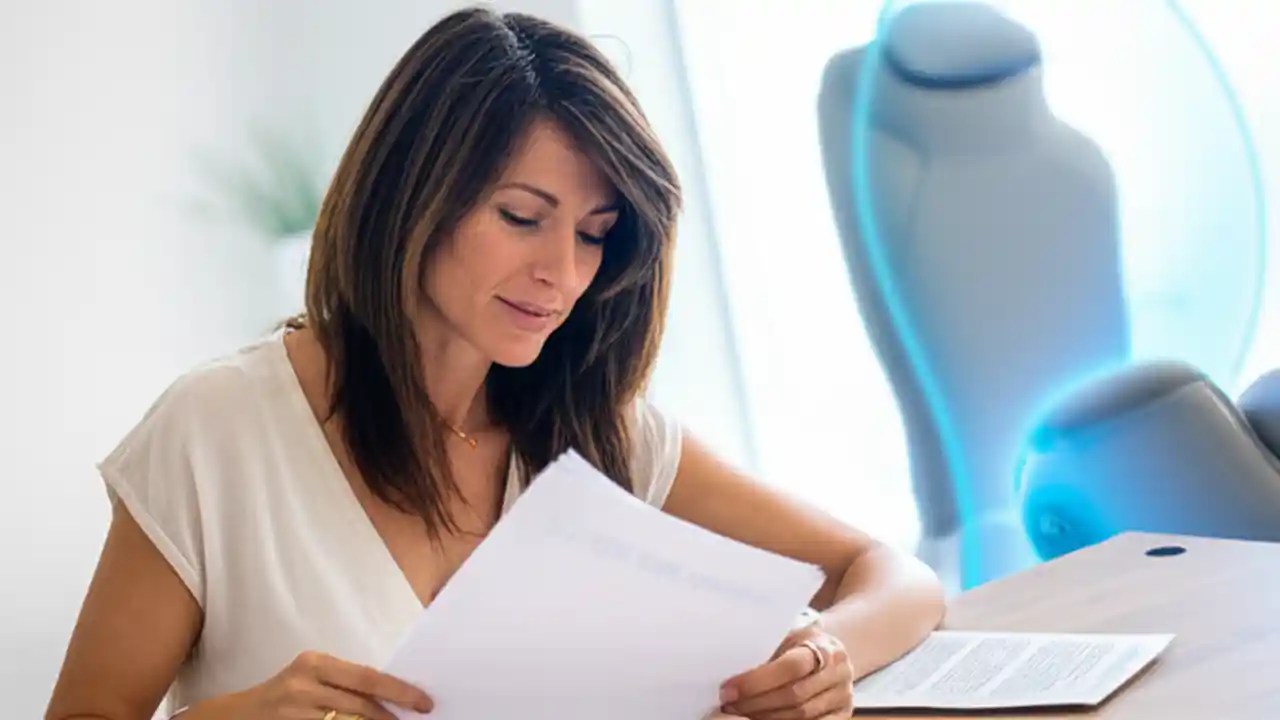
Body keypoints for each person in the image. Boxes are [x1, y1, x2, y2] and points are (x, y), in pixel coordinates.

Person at [45, 7, 945, 720]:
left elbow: (892, 576)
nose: (563, 274)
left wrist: (826, 656)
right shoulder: (218, 431)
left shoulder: (601, 432)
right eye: (522, 217)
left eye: (595, 235)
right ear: (411, 197)